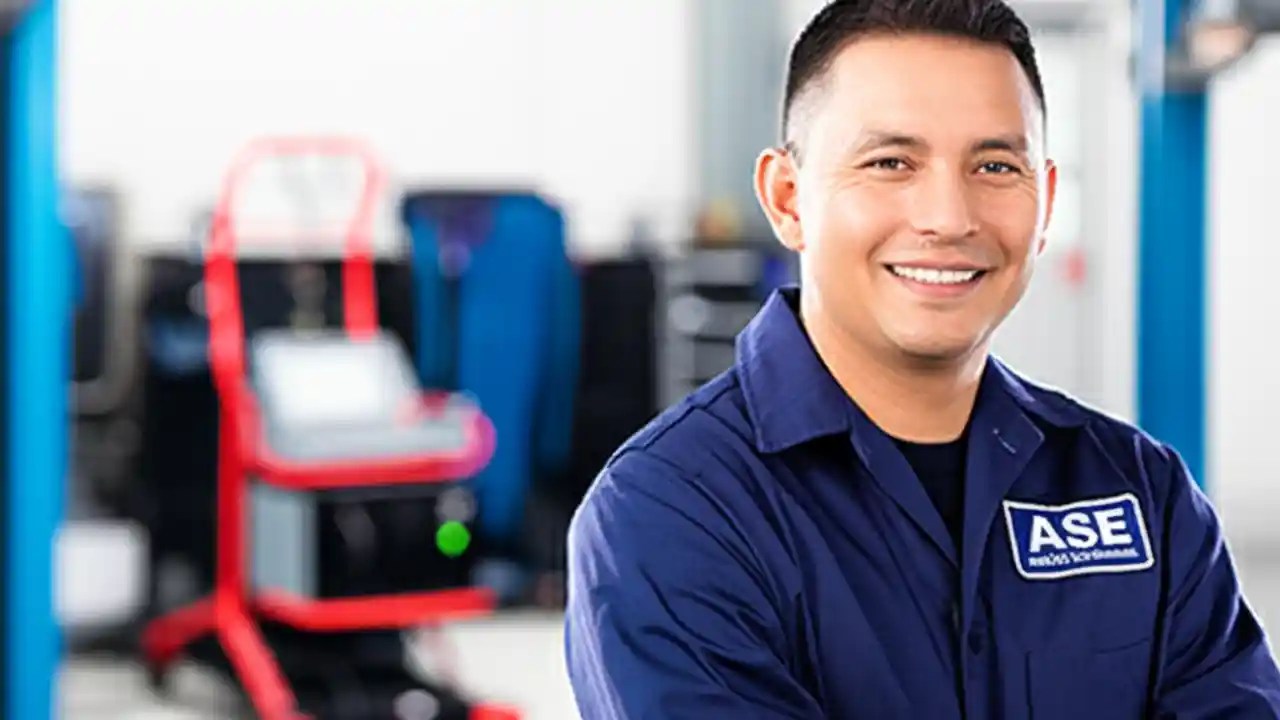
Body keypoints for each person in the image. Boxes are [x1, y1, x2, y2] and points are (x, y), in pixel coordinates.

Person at [564, 0, 1280, 717]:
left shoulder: (1141, 494)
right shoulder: (673, 512)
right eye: (890, 163)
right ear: (788, 199)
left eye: (995, 165)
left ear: (1047, 200)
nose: (949, 216)